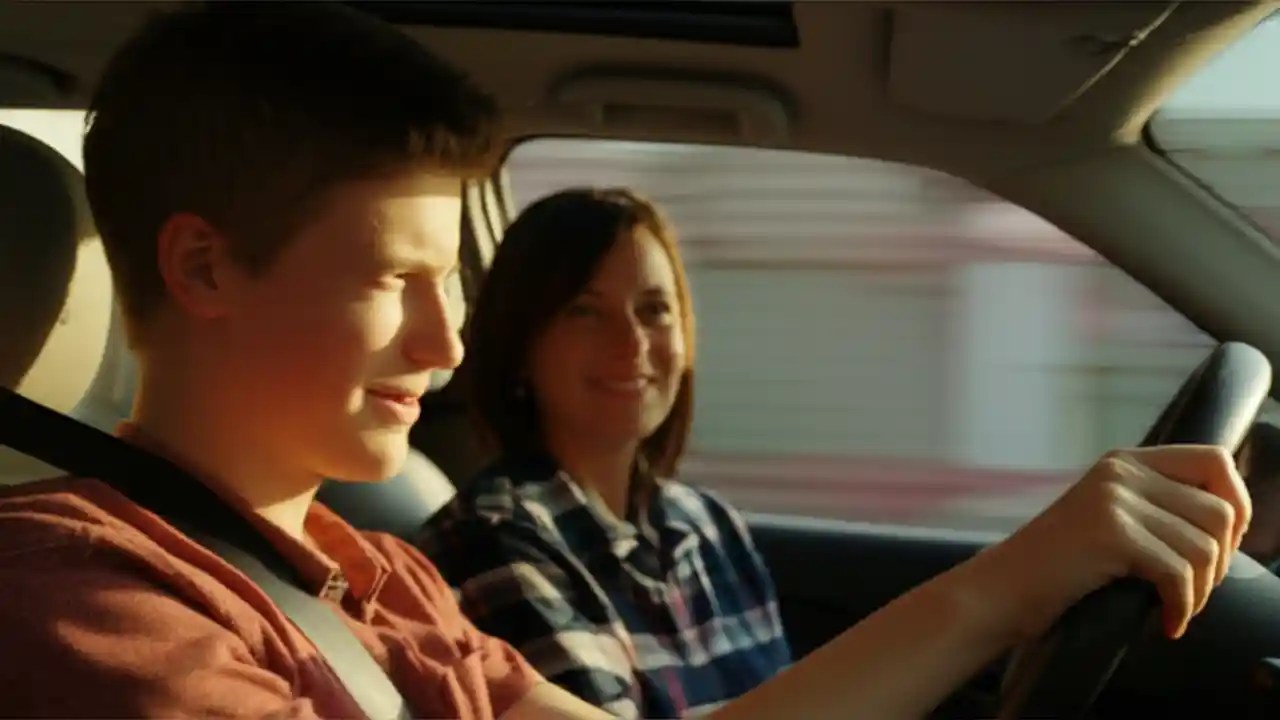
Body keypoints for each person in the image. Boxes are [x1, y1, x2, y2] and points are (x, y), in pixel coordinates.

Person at [0, 3, 1252, 719]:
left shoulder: (375, 579)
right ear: (205, 268)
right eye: (394, 281)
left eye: (454, 283)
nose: (444, 345)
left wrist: (1015, 578)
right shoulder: (86, 612)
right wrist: (1002, 588)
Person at [419, 189, 790, 718]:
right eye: (585, 312)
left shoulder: (709, 525)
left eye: (653, 310)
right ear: (520, 347)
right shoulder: (490, 543)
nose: (632, 343)